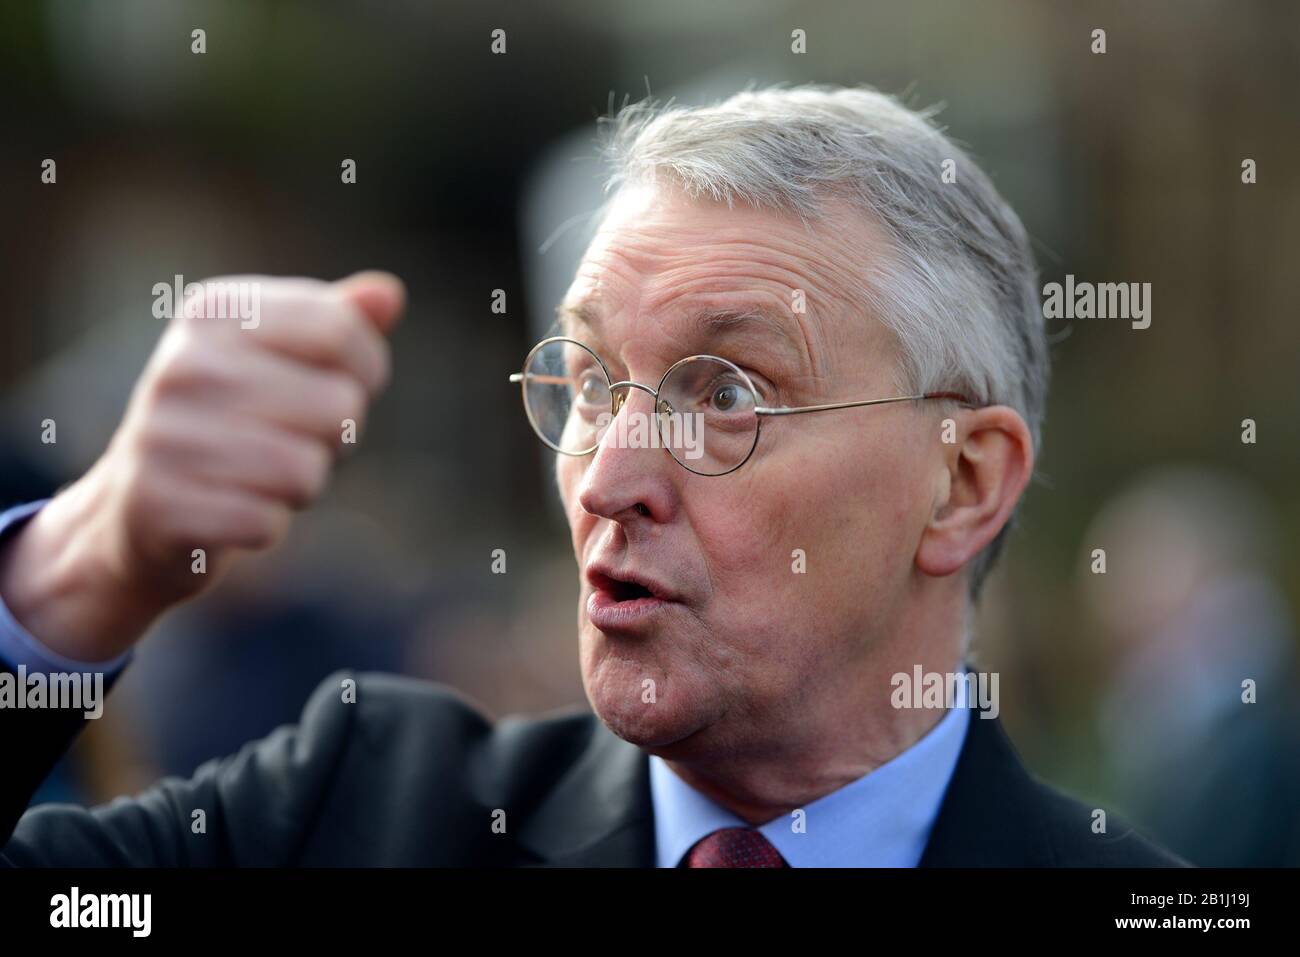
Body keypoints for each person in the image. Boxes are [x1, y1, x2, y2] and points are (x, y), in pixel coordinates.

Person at [0, 85, 1182, 867]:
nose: (610, 475)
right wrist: (83, 571)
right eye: (593, 379)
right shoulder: (354, 813)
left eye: (725, 394)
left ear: (964, 482)